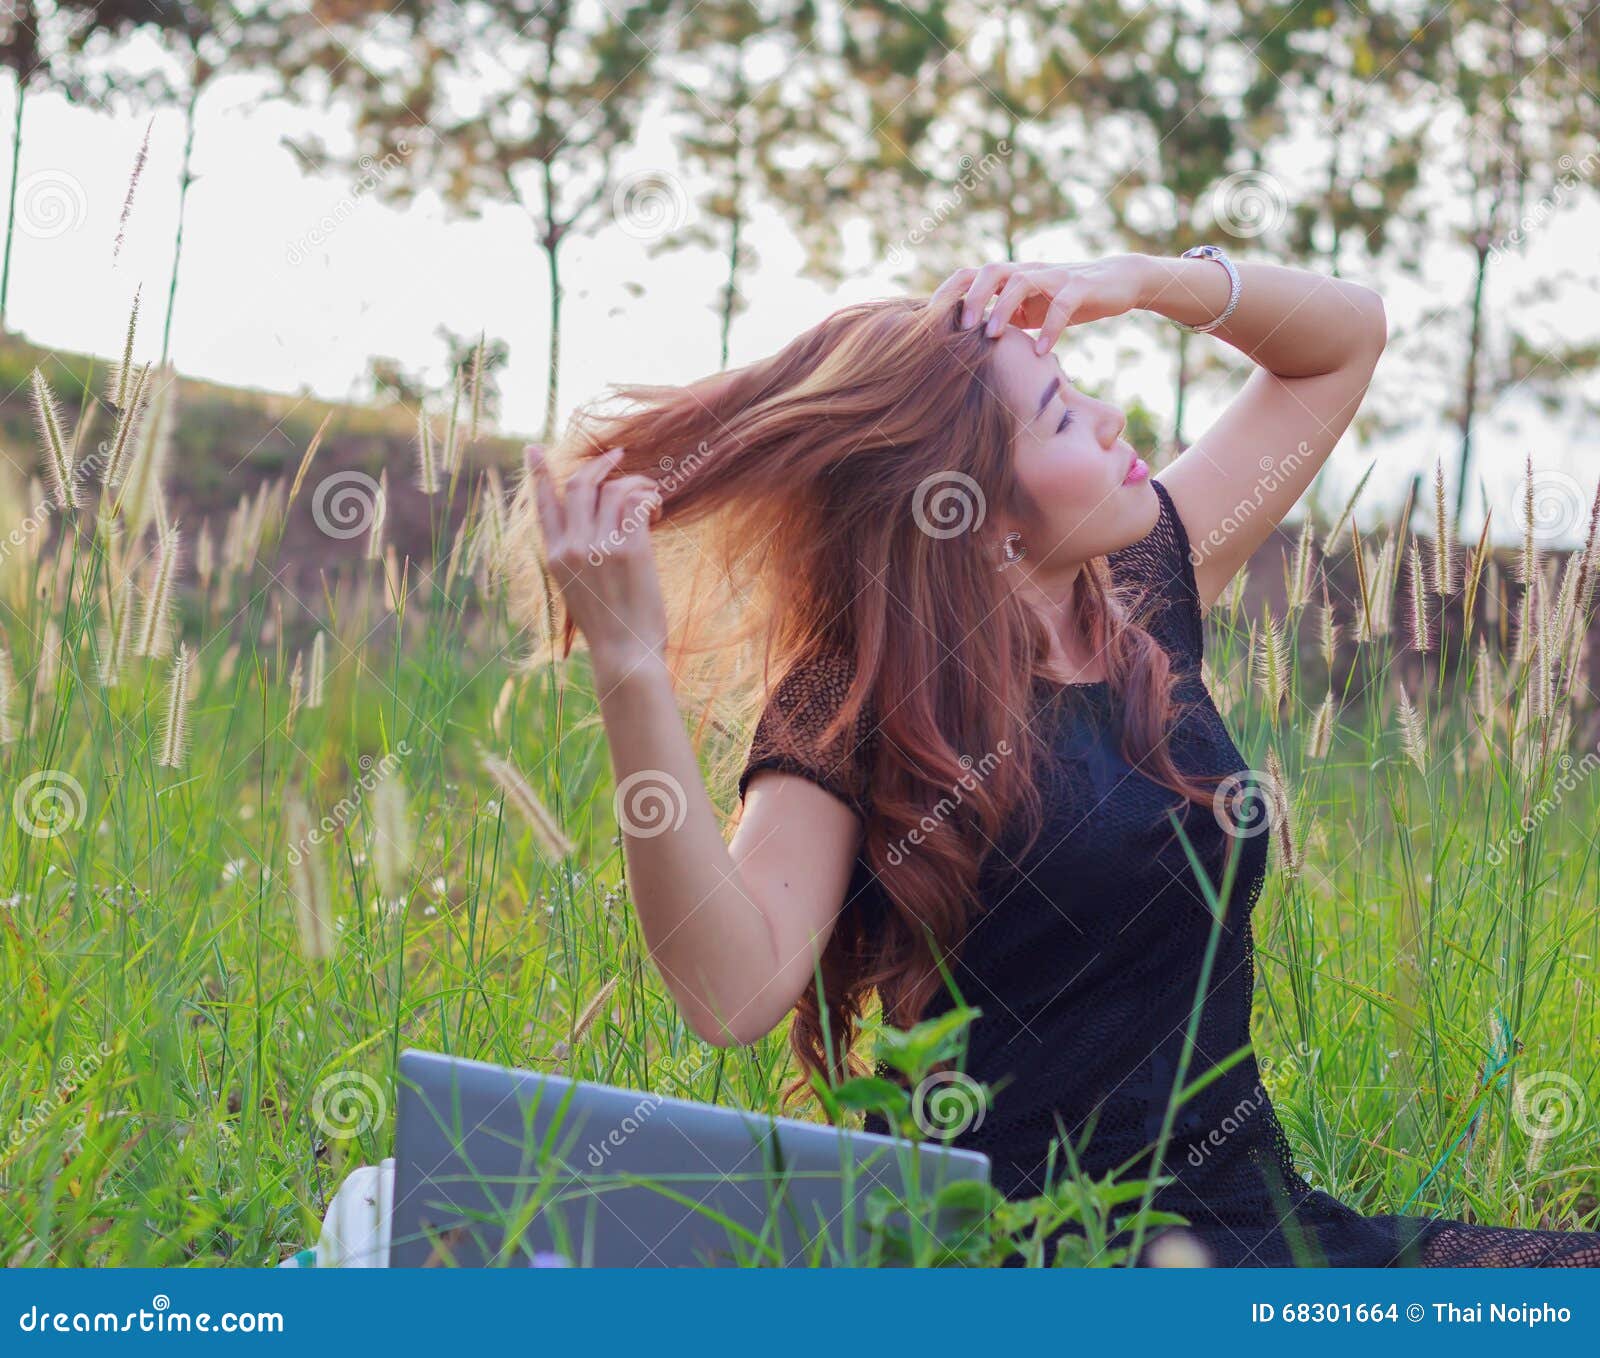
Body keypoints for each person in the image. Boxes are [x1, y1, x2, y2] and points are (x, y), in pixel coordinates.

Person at [516, 254, 1600, 1268]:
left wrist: (1130, 279)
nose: (1109, 414)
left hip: (1250, 1230)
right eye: (1060, 413)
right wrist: (627, 667)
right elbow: (731, 990)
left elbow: (1343, 339)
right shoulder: (856, 704)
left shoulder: (1140, 593)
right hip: (1030, 1257)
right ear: (974, 509)